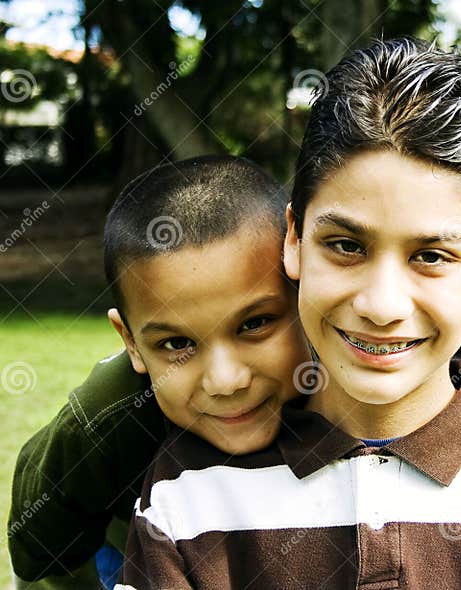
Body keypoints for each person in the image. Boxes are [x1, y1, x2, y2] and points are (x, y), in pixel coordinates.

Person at [118, 38, 461, 589]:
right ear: (295, 239)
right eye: (347, 246)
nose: (381, 306)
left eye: (430, 256)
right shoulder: (189, 493)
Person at [8, 155, 310, 589]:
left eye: (255, 324)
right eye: (177, 344)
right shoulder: (106, 417)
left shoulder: (354, 378)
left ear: (304, 291)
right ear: (130, 341)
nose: (225, 380)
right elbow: (44, 557)